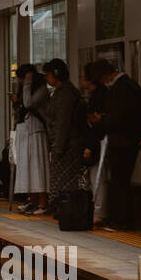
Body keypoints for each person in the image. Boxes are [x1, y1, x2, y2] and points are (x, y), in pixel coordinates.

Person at [88, 59, 141, 231]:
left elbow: (118, 118)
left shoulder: (122, 88)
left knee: (119, 181)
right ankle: (123, 220)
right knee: (122, 181)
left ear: (104, 75)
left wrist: (101, 121)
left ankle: (120, 221)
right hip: (128, 140)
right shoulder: (129, 85)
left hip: (122, 141)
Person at [41, 59, 85, 210]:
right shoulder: (61, 92)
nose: (46, 78)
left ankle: (67, 210)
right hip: (64, 143)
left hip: (67, 145)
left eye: (48, 74)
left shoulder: (65, 94)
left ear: (56, 74)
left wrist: (58, 147)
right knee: (62, 179)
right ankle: (64, 210)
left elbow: (63, 122)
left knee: (65, 179)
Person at [11, 64, 50, 215]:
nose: (21, 83)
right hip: (24, 130)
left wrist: (27, 83)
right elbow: (21, 109)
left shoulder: (41, 89)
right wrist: (15, 103)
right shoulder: (25, 89)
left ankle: (42, 202)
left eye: (23, 79)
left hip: (36, 131)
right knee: (27, 166)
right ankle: (32, 200)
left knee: (37, 166)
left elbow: (28, 103)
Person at [81, 63, 109, 226]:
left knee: (98, 176)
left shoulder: (98, 97)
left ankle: (99, 212)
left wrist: (89, 146)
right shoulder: (100, 94)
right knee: (96, 176)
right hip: (99, 140)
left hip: (98, 142)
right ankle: (97, 210)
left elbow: (94, 124)